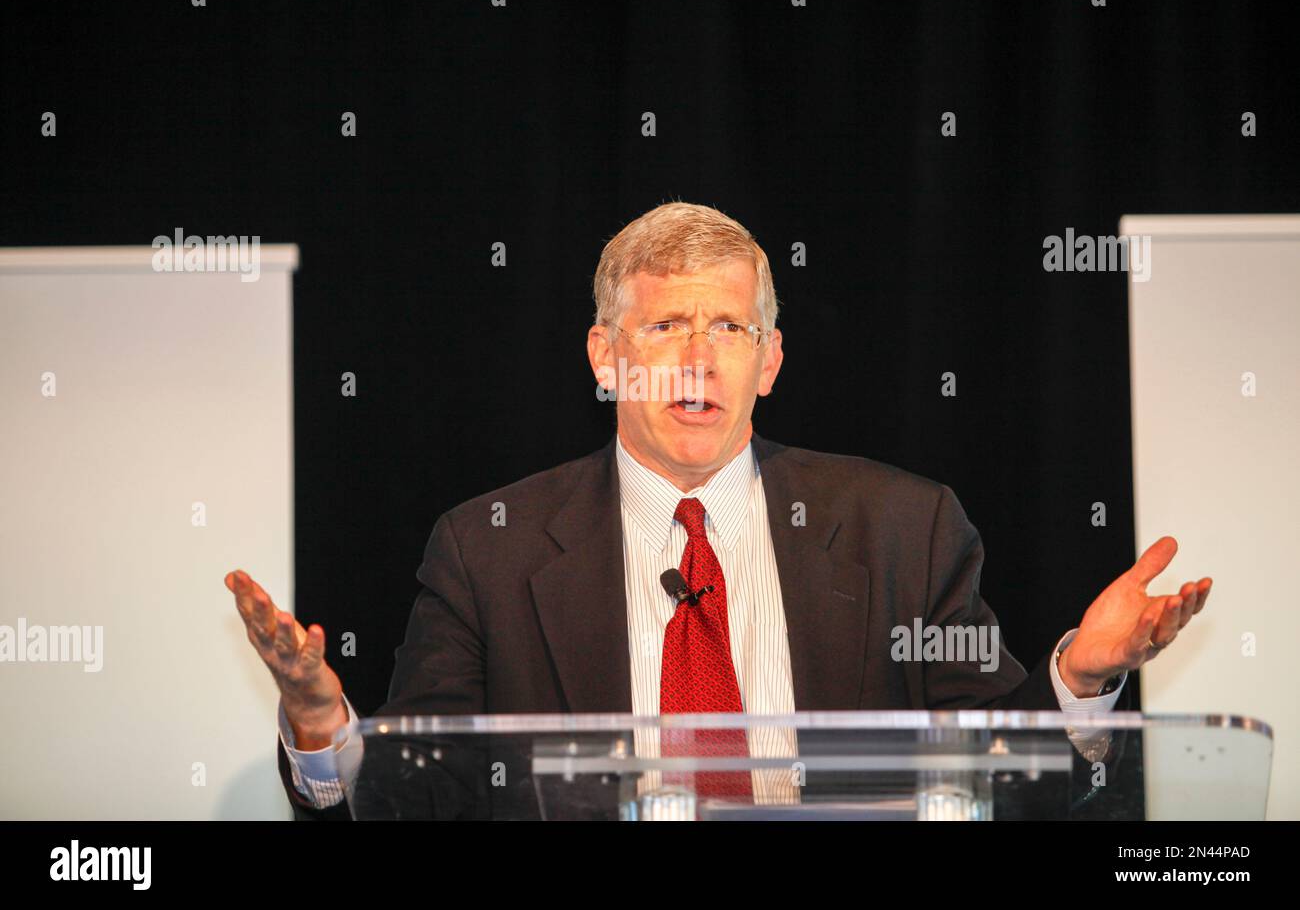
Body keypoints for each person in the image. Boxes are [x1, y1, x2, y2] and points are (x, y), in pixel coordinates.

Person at [226, 201, 1212, 820]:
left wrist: (1079, 681)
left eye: (729, 327)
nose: (698, 356)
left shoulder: (901, 527)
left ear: (769, 360)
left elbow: (1000, 768)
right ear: (607, 359)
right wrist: (322, 724)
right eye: (663, 325)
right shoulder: (487, 549)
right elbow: (422, 796)